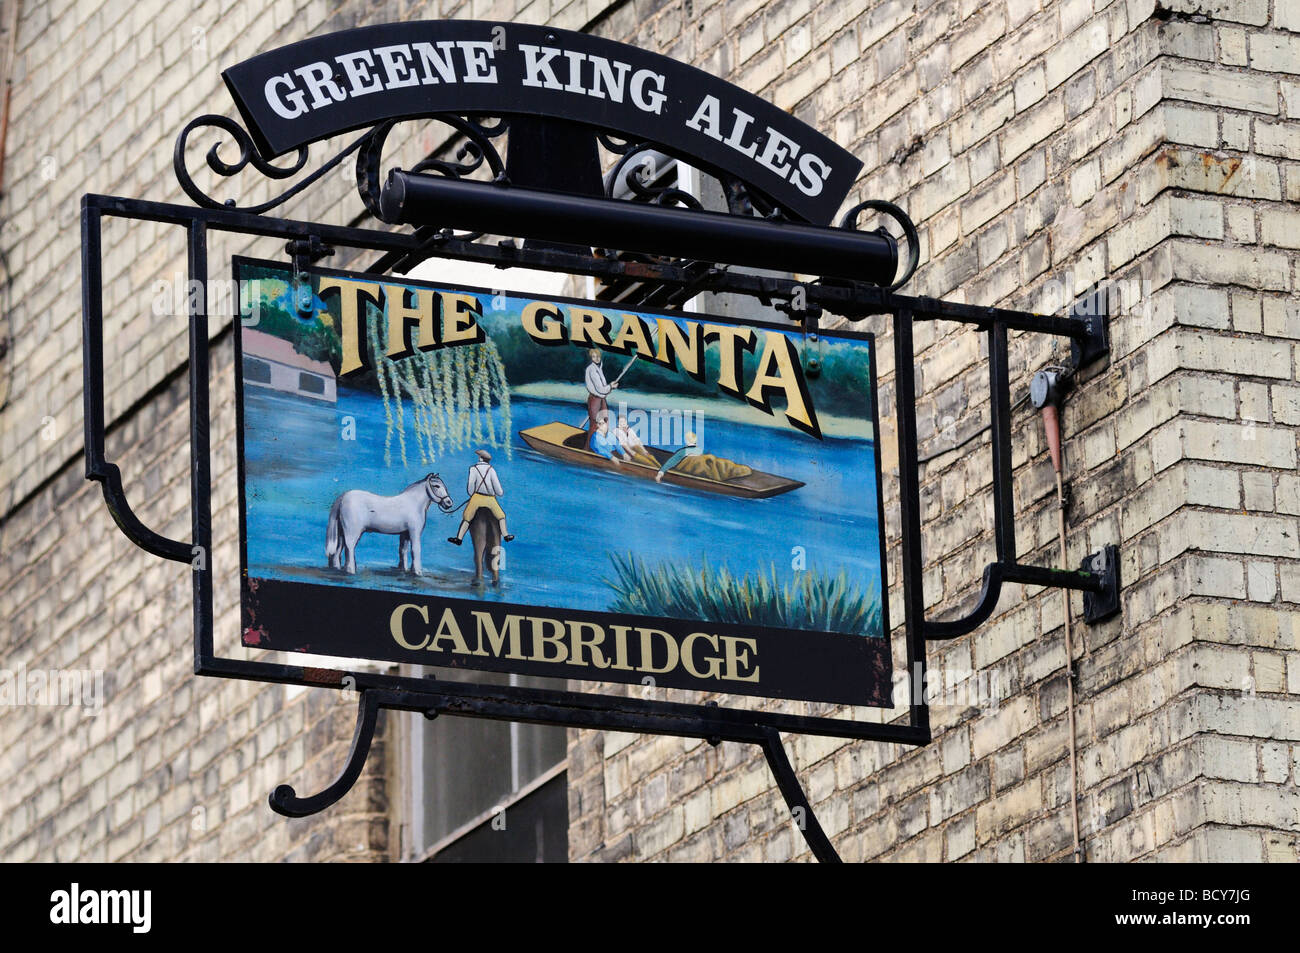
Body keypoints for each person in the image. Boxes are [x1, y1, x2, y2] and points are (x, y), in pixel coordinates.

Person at [448, 449, 513, 545]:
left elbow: (470, 486)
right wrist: (499, 493)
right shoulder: (491, 469)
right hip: (490, 498)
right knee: (501, 516)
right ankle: (506, 535)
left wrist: (472, 495)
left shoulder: (473, 469)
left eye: (479, 457)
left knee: (467, 517)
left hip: (477, 497)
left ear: (481, 458)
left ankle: (459, 538)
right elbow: (499, 490)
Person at [583, 348, 618, 449]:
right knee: (595, 425)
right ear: (591, 358)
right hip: (594, 400)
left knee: (605, 423)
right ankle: (588, 449)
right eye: (594, 357)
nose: (596, 358)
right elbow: (599, 388)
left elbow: (603, 390)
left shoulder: (600, 368)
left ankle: (603, 447)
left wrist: (609, 388)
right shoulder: (591, 369)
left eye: (598, 356)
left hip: (601, 399)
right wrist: (610, 386)